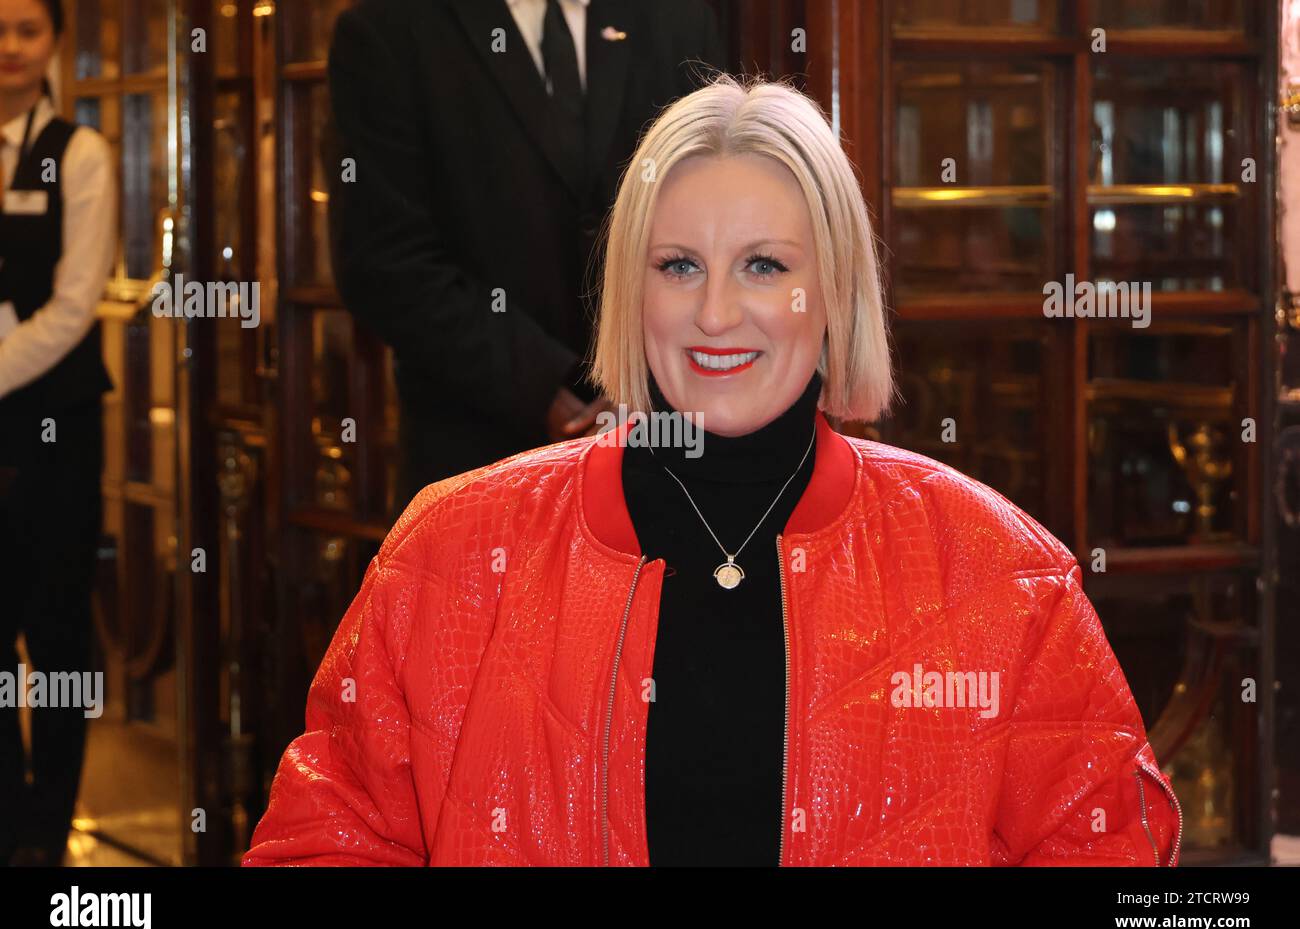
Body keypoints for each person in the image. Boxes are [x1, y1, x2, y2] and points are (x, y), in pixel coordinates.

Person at [244, 75, 1182, 866]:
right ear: (630, 288)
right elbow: (328, 839)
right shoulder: (449, 550)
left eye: (766, 266)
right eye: (680, 265)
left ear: (837, 290)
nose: (717, 314)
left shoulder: (999, 574)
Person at [326, 0, 724, 506]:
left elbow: (716, 220)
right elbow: (382, 261)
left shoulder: (678, 18)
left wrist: (645, 384)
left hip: (667, 454)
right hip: (477, 464)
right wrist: (545, 390)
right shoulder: (388, 29)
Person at [0, 0, 116, 866]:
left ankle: (48, 837)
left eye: (26, 31)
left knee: (57, 632)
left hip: (54, 427)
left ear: (53, 45)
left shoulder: (79, 154)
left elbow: (75, 306)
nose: (8, 48)